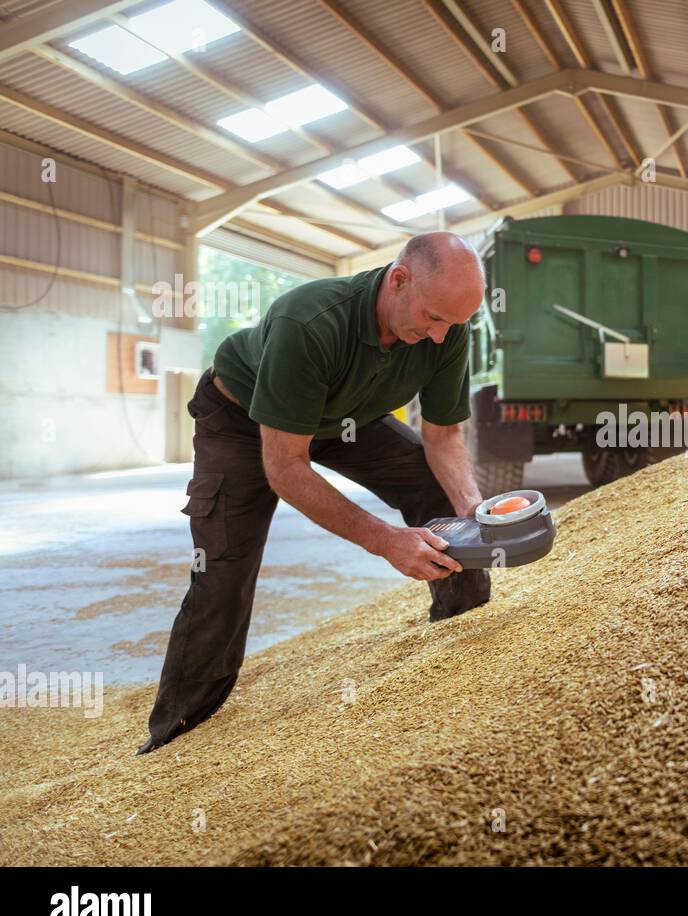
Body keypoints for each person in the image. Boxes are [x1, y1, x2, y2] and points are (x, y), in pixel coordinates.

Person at [137, 232, 489, 754]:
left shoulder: (447, 329)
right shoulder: (308, 322)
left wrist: (472, 506)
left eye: (452, 325)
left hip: (346, 416)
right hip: (242, 420)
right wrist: (386, 540)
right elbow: (285, 467)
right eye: (434, 318)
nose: (440, 336)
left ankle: (456, 646)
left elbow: (443, 436)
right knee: (224, 568)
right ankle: (177, 735)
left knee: (431, 486)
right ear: (398, 280)